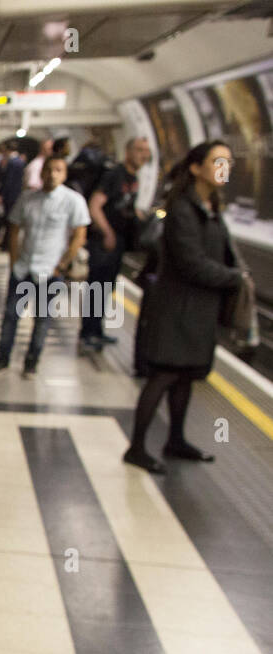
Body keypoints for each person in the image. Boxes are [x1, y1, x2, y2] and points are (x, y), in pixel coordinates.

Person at [124, 140, 249, 474]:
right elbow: (191, 262)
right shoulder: (181, 208)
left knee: (184, 377)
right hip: (177, 308)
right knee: (163, 374)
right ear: (196, 168)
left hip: (199, 310)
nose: (224, 168)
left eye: (227, 162)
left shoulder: (211, 208)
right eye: (216, 161)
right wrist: (233, 278)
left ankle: (175, 440)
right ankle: (136, 446)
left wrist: (232, 273)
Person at [0, 155, 89, 377]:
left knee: (42, 319)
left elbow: (79, 235)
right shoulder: (27, 198)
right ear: (41, 173)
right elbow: (14, 228)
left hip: (51, 271)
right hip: (24, 268)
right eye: (49, 169)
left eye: (58, 170)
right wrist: (14, 260)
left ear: (64, 174)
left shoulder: (73, 201)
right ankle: (1, 359)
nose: (52, 174)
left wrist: (62, 265)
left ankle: (31, 363)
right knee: (11, 316)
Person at [81, 137, 151, 352]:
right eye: (139, 150)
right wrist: (107, 232)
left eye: (146, 151)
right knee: (96, 287)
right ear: (128, 152)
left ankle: (97, 330)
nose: (143, 155)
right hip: (104, 241)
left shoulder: (133, 177)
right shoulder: (115, 174)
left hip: (118, 241)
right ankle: (88, 332)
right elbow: (95, 205)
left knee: (106, 287)